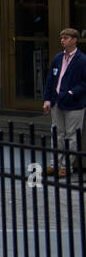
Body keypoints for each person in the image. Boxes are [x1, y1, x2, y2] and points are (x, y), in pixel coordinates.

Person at [43, 28, 86, 179]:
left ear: (75, 40)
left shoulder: (82, 59)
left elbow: (84, 83)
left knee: (72, 135)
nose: (63, 40)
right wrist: (47, 100)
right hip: (57, 101)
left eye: (66, 38)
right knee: (57, 134)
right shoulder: (57, 58)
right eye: (62, 38)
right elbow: (50, 80)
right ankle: (54, 163)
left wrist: (71, 93)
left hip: (74, 104)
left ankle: (66, 166)